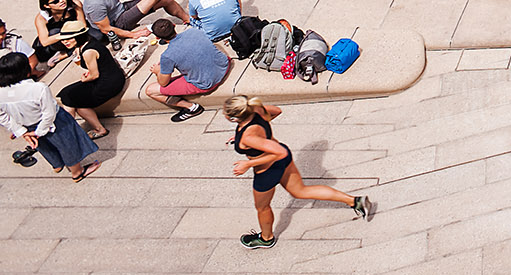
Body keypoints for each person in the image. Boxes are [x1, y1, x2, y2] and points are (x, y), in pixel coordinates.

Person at [225, 95, 372, 248]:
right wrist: (241, 136)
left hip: (267, 171)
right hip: (283, 162)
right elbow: (277, 111)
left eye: (226, 114)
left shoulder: (248, 137)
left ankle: (266, 238)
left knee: (262, 207)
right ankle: (355, 201)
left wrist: (248, 164)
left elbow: (278, 152)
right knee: (301, 192)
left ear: (234, 118)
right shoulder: (257, 110)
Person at [0, 51, 101, 180]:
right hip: (54, 123)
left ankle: (57, 165)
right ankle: (77, 172)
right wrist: (41, 130)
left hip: (27, 125)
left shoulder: (1, 93)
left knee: (45, 147)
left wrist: (21, 131)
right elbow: (49, 112)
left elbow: (3, 116)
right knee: (68, 144)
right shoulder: (38, 88)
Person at [145, 19, 231, 122]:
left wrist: (158, 71)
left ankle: (191, 108)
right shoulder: (194, 31)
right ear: (174, 25)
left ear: (157, 37)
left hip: (208, 82)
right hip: (224, 65)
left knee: (151, 90)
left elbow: (163, 83)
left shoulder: (167, 56)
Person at [53, 21, 123, 139]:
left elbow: (94, 75)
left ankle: (71, 132)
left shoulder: (88, 51)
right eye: (64, 39)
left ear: (78, 36)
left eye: (69, 38)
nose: (65, 41)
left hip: (108, 83)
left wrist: (85, 79)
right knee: (67, 94)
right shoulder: (88, 43)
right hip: (109, 76)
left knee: (71, 98)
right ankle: (89, 130)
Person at [32, 0, 87, 69]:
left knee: (96, 35)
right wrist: (66, 34)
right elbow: (45, 41)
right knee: (42, 55)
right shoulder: (42, 18)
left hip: (74, 32)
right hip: (56, 38)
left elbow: (83, 25)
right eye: (55, 1)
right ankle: (69, 51)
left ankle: (67, 53)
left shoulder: (74, 5)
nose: (61, 1)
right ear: (47, 6)